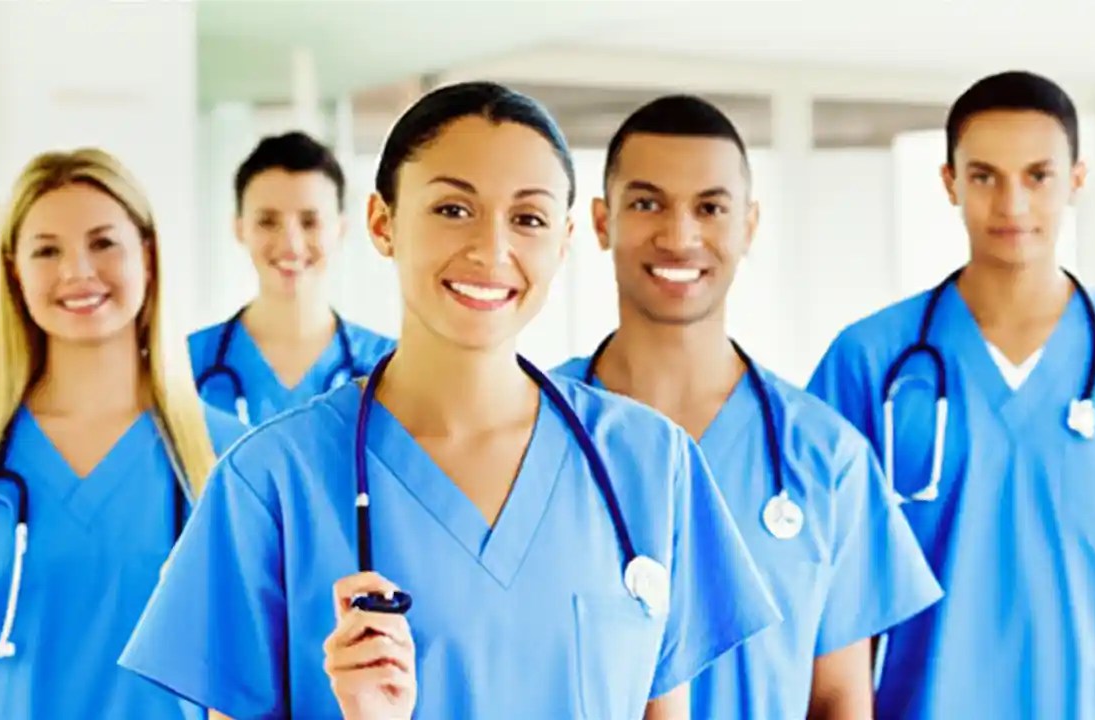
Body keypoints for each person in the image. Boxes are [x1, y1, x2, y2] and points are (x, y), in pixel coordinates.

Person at [119, 81, 781, 719]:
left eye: (527, 218)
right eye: (453, 209)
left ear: (564, 240)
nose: (491, 249)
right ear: (383, 223)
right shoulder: (272, 479)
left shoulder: (648, 463)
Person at [553, 95, 943, 718]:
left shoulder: (825, 455)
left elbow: (840, 696)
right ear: (602, 222)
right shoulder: (537, 431)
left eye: (710, 208)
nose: (680, 236)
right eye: (647, 203)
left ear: (749, 226)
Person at [807, 70, 1095, 718]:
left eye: (1038, 175)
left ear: (1076, 180)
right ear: (950, 181)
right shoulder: (869, 360)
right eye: (985, 176)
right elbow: (833, 598)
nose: (1012, 204)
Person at [0, 148, 246, 719]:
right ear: (14, 272)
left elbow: (247, 693)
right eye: (47, 250)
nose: (77, 271)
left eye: (103, 243)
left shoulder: (230, 458)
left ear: (148, 256)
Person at [191, 131, 395, 425]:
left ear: (340, 228)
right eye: (267, 221)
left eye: (310, 222)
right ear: (239, 228)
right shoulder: (184, 367)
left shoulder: (390, 368)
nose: (291, 244)